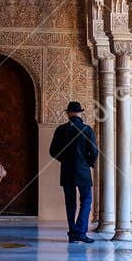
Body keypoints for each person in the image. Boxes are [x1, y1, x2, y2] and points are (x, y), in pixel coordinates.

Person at [50, 101, 99, 243]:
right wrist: (88, 163)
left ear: (68, 113)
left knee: (70, 203)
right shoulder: (87, 130)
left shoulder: (61, 130)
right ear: (80, 113)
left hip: (67, 171)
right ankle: (80, 232)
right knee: (86, 201)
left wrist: (64, 160)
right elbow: (94, 151)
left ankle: (73, 232)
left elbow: (53, 151)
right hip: (83, 171)